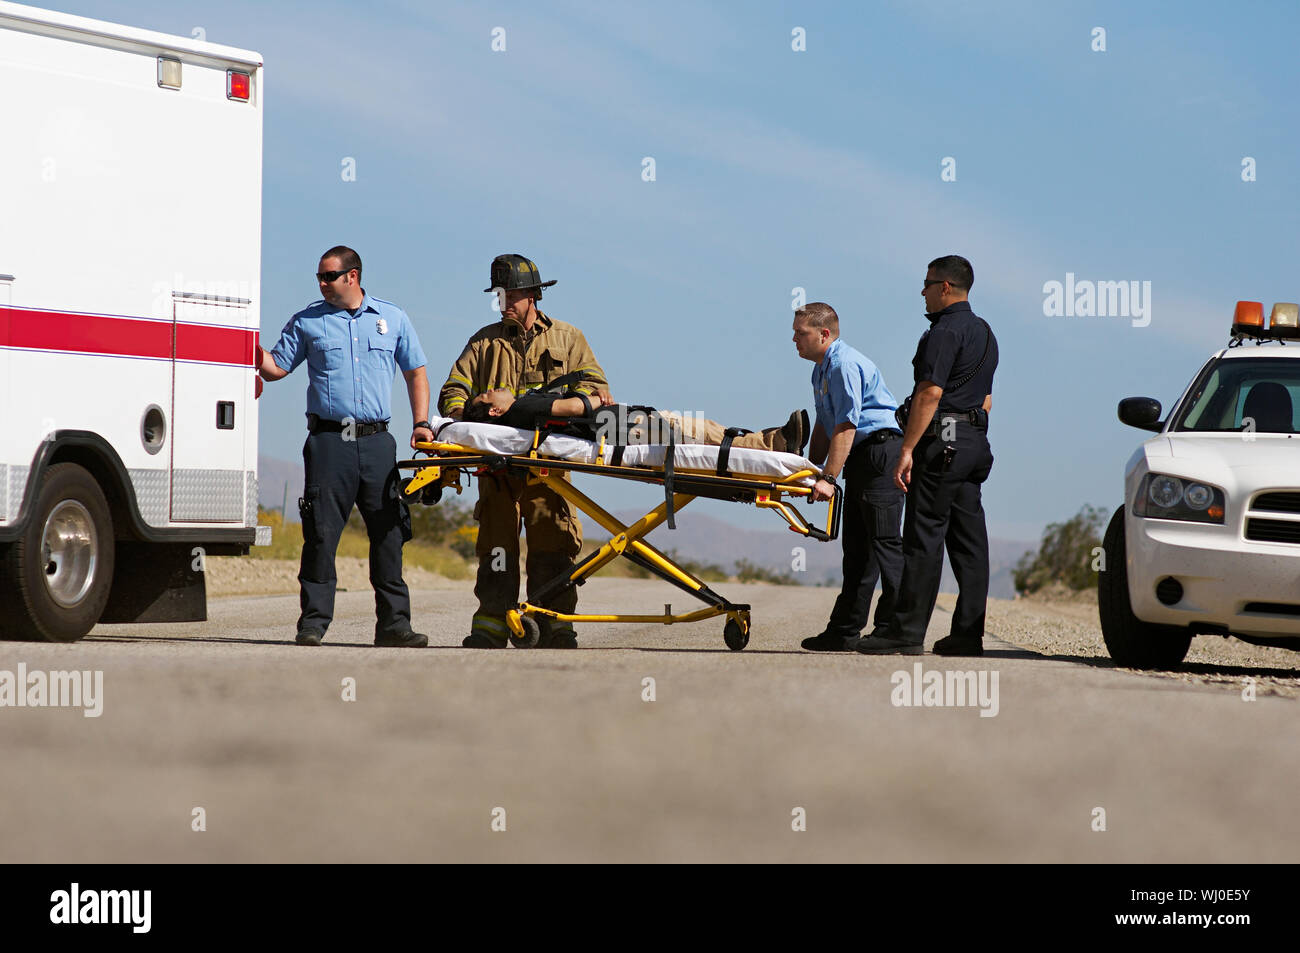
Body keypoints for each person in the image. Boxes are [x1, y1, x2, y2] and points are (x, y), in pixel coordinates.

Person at [258, 246, 432, 648]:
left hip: (377, 444)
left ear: (352, 276)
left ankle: (394, 626)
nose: (321, 283)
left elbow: (416, 372)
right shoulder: (308, 321)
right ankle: (313, 623)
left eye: (328, 276)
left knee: (389, 536)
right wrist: (244, 343)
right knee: (321, 534)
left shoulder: (393, 318)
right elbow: (276, 368)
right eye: (319, 277)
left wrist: (421, 423)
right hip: (329, 442)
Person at [438, 254, 610, 649]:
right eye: (501, 294)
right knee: (497, 546)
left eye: (513, 294)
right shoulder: (483, 342)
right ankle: (492, 624)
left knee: (552, 544)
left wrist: (554, 407)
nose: (505, 303)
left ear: (534, 295)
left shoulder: (568, 339)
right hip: (497, 469)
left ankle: (554, 624)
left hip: (549, 466)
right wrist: (467, 414)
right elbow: (452, 390)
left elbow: (597, 390)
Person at [856, 255, 998, 657]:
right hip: (973, 443)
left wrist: (906, 449)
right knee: (971, 546)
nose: (923, 291)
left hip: (942, 444)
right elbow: (985, 400)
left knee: (923, 539)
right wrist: (966, 437)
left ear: (946, 288)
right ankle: (968, 635)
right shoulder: (986, 333)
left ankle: (905, 632)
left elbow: (930, 393)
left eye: (927, 284)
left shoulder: (944, 330)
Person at [790, 302, 906, 652]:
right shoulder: (820, 370)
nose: (794, 339)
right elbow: (825, 427)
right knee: (856, 549)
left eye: (801, 333)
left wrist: (828, 477)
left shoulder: (842, 365)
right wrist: (808, 474)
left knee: (885, 544)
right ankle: (844, 630)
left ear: (824, 334)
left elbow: (846, 425)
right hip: (859, 456)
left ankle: (897, 630)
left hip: (879, 454)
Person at [462, 386, 808, 453]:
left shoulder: (522, 403)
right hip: (618, 428)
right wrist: (595, 399)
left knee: (706, 431)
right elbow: (574, 411)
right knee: (701, 433)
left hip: (622, 424)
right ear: (495, 411)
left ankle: (774, 440)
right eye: (488, 394)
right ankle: (776, 444)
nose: (493, 388)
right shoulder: (519, 410)